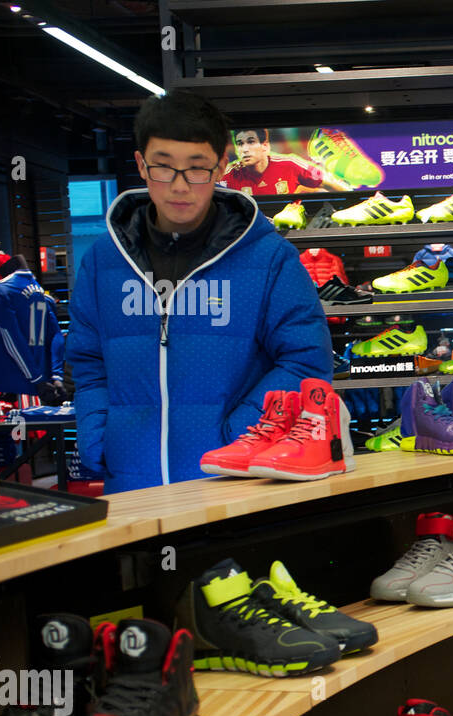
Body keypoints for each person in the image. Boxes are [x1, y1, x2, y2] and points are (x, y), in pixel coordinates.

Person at [66, 90, 331, 493]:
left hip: (236, 481)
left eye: (197, 168)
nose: (179, 186)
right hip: (132, 483)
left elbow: (306, 363)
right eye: (163, 167)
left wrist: (239, 434)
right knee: (142, 559)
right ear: (140, 164)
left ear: (221, 166)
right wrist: (100, 433)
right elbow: (87, 361)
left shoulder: (270, 258)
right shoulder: (104, 261)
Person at [220, 128, 346, 195]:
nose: (245, 149)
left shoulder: (290, 164)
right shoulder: (228, 174)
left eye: (251, 142)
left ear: (265, 145)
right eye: (240, 144)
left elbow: (330, 183)